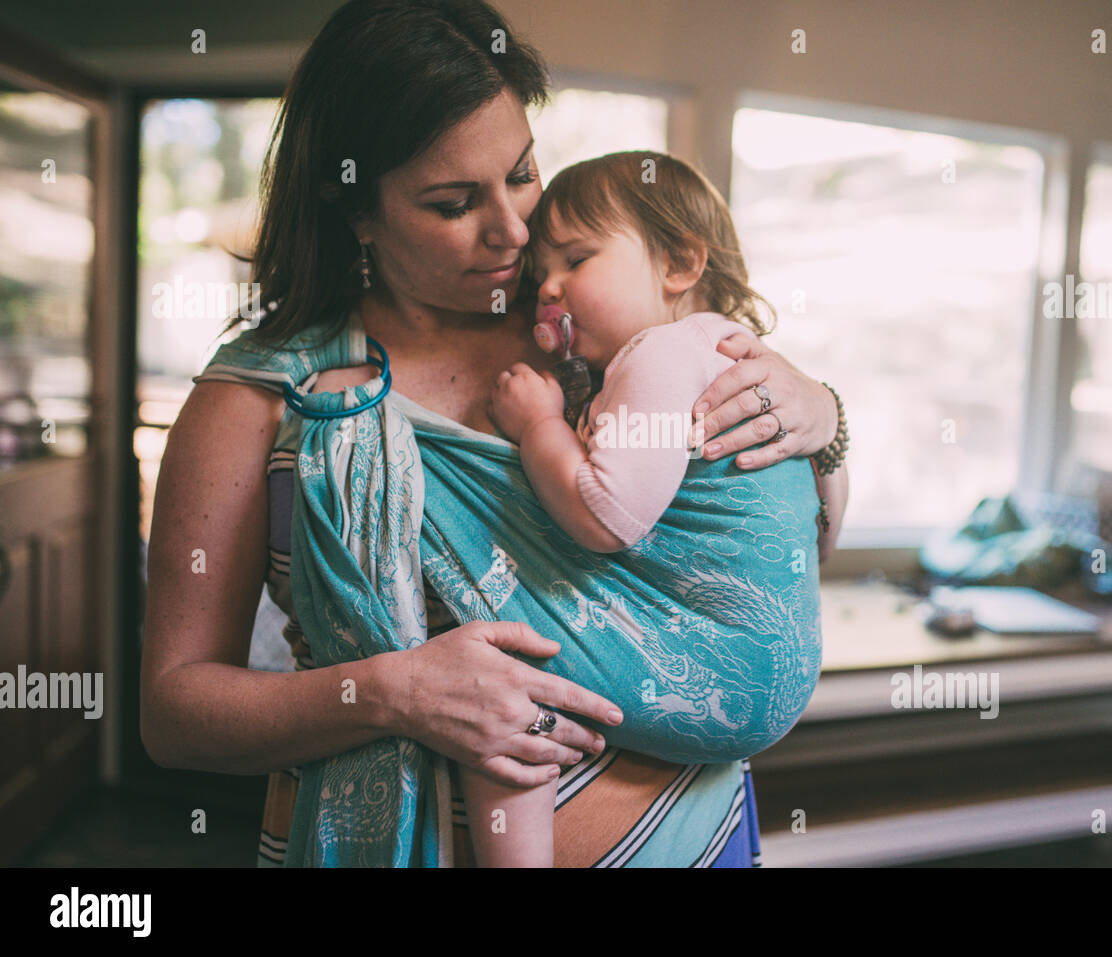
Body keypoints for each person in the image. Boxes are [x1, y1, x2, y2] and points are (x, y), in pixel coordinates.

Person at [140, 0, 850, 867]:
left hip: (702, 839)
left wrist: (827, 417)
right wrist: (392, 693)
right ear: (356, 208)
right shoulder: (256, 397)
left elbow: (767, 552)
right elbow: (174, 713)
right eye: (453, 201)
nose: (514, 230)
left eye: (521, 173)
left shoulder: (596, 325)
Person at [462, 150, 829, 866]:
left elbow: (604, 515)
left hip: (726, 668)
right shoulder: (725, 350)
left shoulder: (657, 355)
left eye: (576, 258)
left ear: (679, 263)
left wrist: (539, 424)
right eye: (542, 274)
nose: (550, 286)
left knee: (499, 679)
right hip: (773, 668)